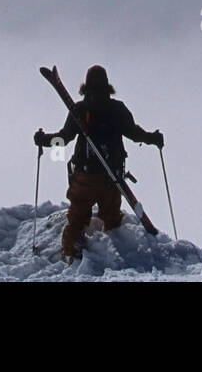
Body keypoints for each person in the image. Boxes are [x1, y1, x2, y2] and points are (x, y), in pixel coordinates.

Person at [34, 64, 163, 261]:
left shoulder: (80, 109)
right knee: (111, 217)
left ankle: (71, 254)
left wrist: (44, 140)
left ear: (86, 85)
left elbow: (64, 137)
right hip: (112, 178)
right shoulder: (117, 109)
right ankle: (113, 255)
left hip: (85, 176)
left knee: (77, 217)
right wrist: (153, 138)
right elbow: (135, 133)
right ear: (107, 84)